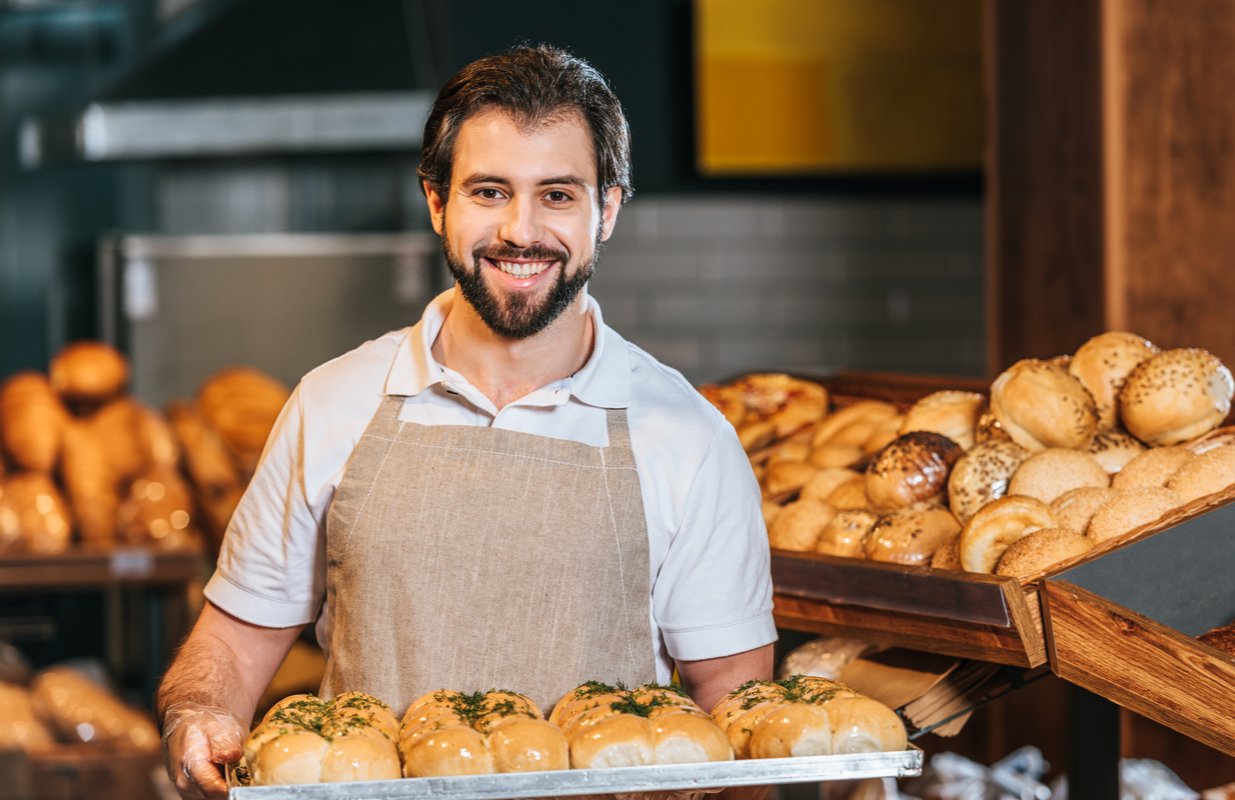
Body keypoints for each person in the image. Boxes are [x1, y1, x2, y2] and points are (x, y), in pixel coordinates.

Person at [157, 44, 775, 799]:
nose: (521, 231)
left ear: (606, 209)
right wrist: (197, 712)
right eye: (489, 191)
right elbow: (233, 637)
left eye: (557, 194)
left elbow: (736, 713)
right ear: (437, 201)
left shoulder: (689, 437)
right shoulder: (334, 404)